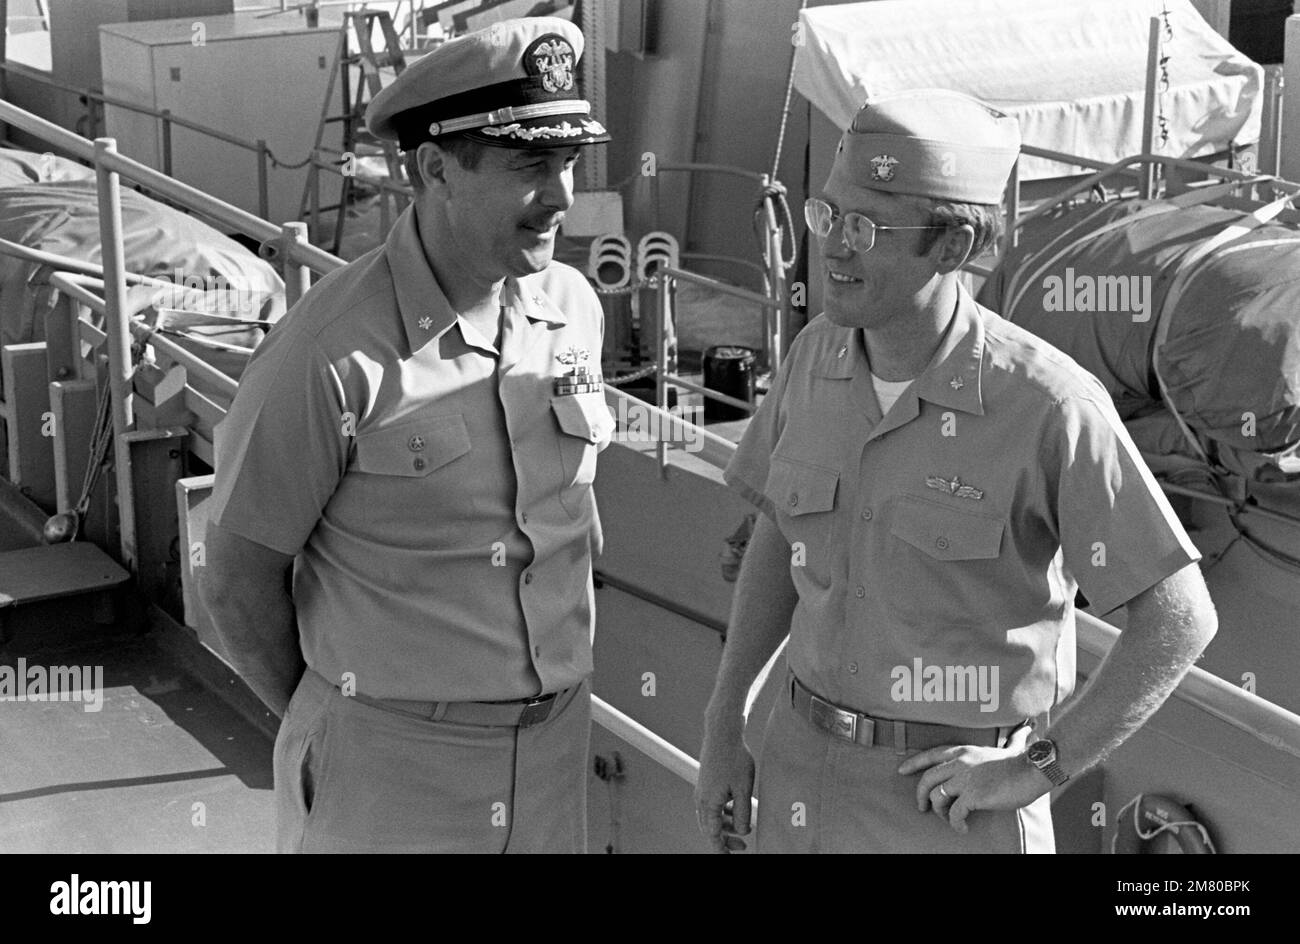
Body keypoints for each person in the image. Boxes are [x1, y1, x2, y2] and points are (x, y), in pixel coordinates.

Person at [695, 89, 1218, 854]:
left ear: (953, 245)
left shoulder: (1047, 407)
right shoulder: (815, 357)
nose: (833, 246)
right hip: (798, 780)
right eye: (827, 214)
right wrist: (723, 725)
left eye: (865, 226)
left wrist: (1037, 768)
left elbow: (1179, 617)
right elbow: (781, 535)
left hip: (950, 813)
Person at [199, 16, 614, 853]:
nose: (562, 197)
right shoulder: (327, 355)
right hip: (392, 771)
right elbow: (237, 580)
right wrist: (346, 722)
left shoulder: (573, 309)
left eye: (567, 162)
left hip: (554, 750)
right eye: (531, 164)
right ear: (434, 168)